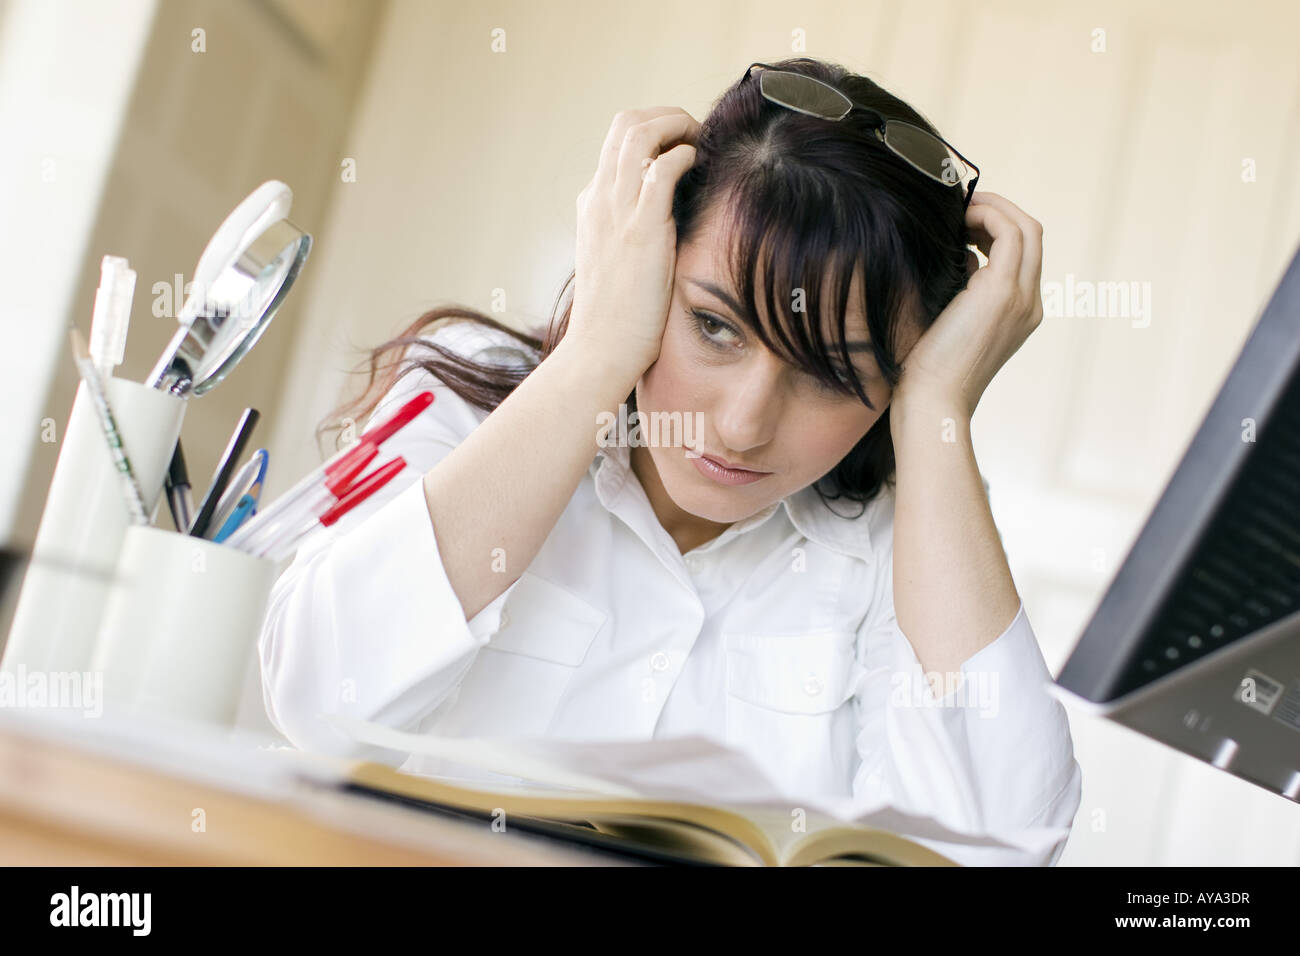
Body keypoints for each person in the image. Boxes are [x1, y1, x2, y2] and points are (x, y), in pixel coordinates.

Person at [258, 56, 1082, 866]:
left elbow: (1002, 848)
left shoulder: (890, 547)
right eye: (714, 327)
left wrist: (938, 411)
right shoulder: (469, 403)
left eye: (834, 374)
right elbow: (317, 700)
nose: (742, 424)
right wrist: (595, 356)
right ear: (646, 261)